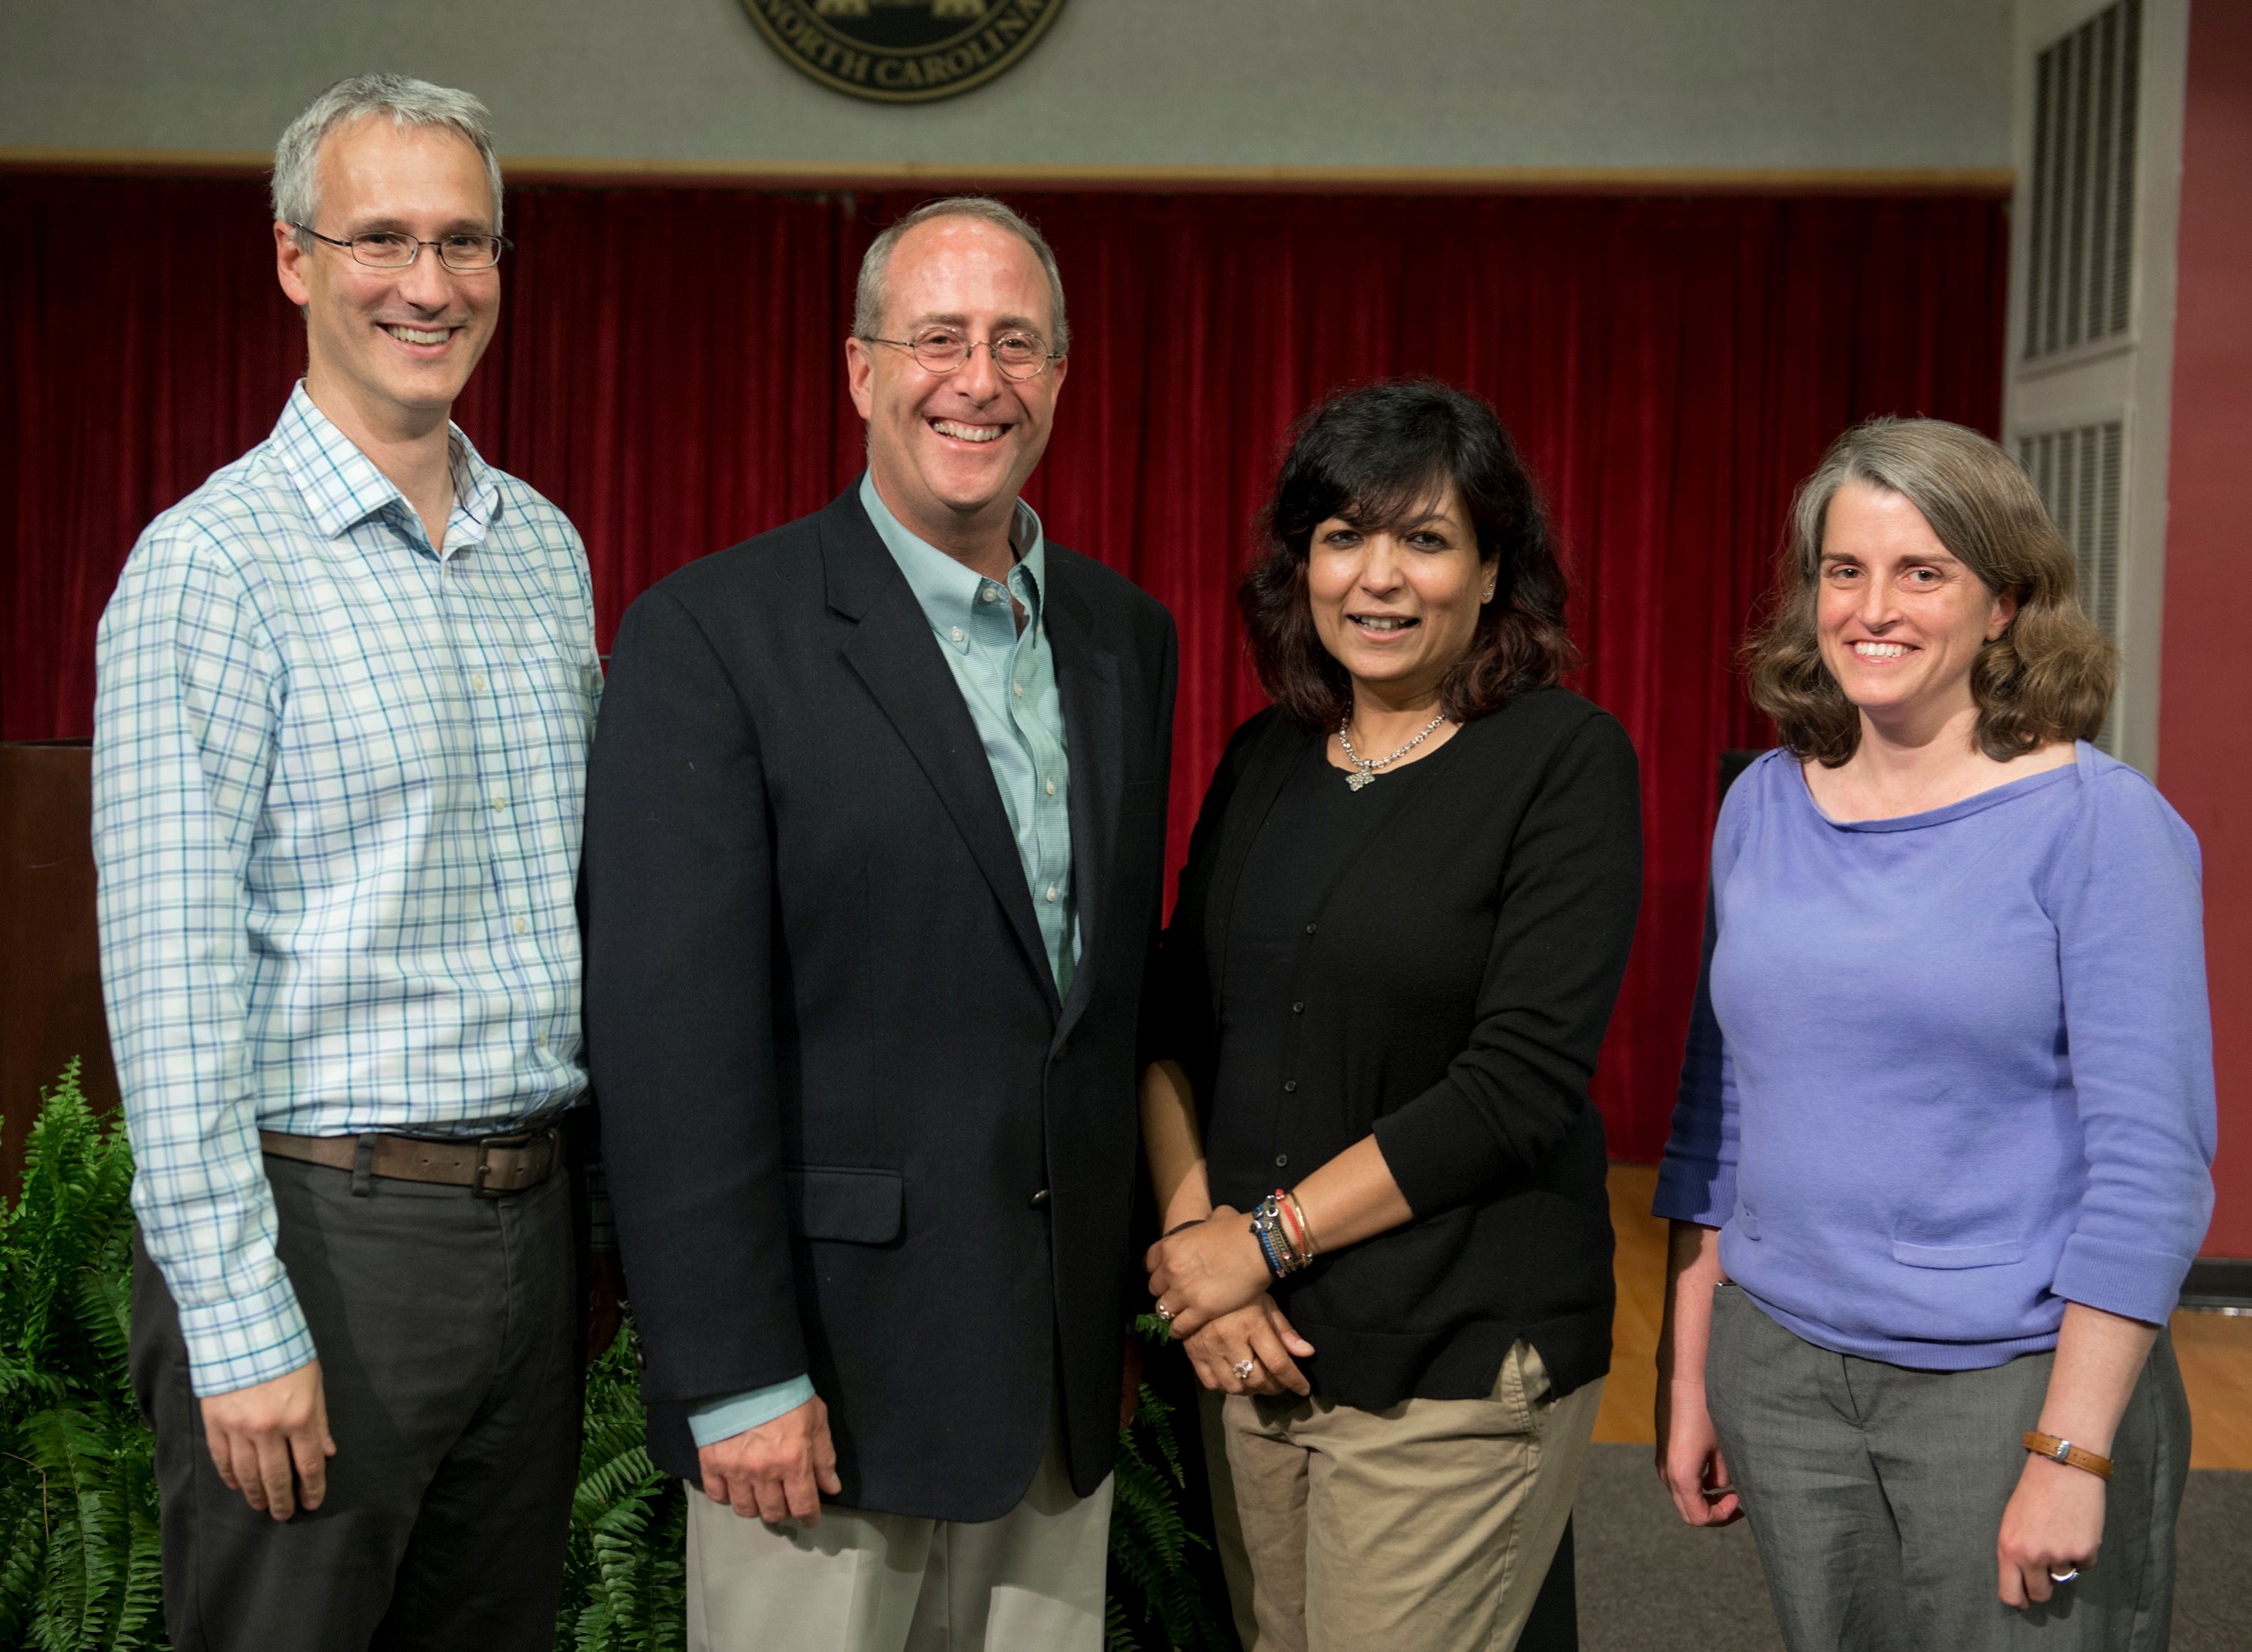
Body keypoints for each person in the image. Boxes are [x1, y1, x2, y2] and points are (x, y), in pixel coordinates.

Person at [583, 195, 1178, 1651]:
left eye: (1015, 344)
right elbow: (671, 1047)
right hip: (822, 1394)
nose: (976, 379)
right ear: (860, 371)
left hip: (1049, 1397)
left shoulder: (1126, 637)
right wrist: (733, 1376)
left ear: (1060, 377)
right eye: (937, 338)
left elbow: (1096, 1017)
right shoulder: (714, 637)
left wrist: (1097, 1319)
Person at [92, 74, 616, 1651]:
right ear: (293, 259)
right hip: (327, 1240)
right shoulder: (209, 567)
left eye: (467, 242)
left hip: (533, 1235)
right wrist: (240, 1327)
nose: (430, 284)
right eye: (380, 238)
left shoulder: (544, 546)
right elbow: (172, 991)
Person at [1653, 417, 2215, 1650]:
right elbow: (1719, 1104)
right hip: (1782, 1373)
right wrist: (1689, 1374)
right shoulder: (1762, 802)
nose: (1873, 608)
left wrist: (2069, 1448)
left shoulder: (2101, 828)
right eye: (1844, 570)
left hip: (2010, 1387)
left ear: (2004, 600)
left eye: (1924, 572)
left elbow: (2152, 1167)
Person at [1139, 380, 1642, 1651]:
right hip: (1256, 1348)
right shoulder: (1265, 757)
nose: (1380, 576)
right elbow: (1170, 1022)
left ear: (1490, 575)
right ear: (1301, 562)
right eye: (1344, 534)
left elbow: (1516, 1084)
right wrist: (1205, 1244)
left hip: (1453, 1347)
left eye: (1426, 540)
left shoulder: (1564, 759)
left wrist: (1259, 1240)